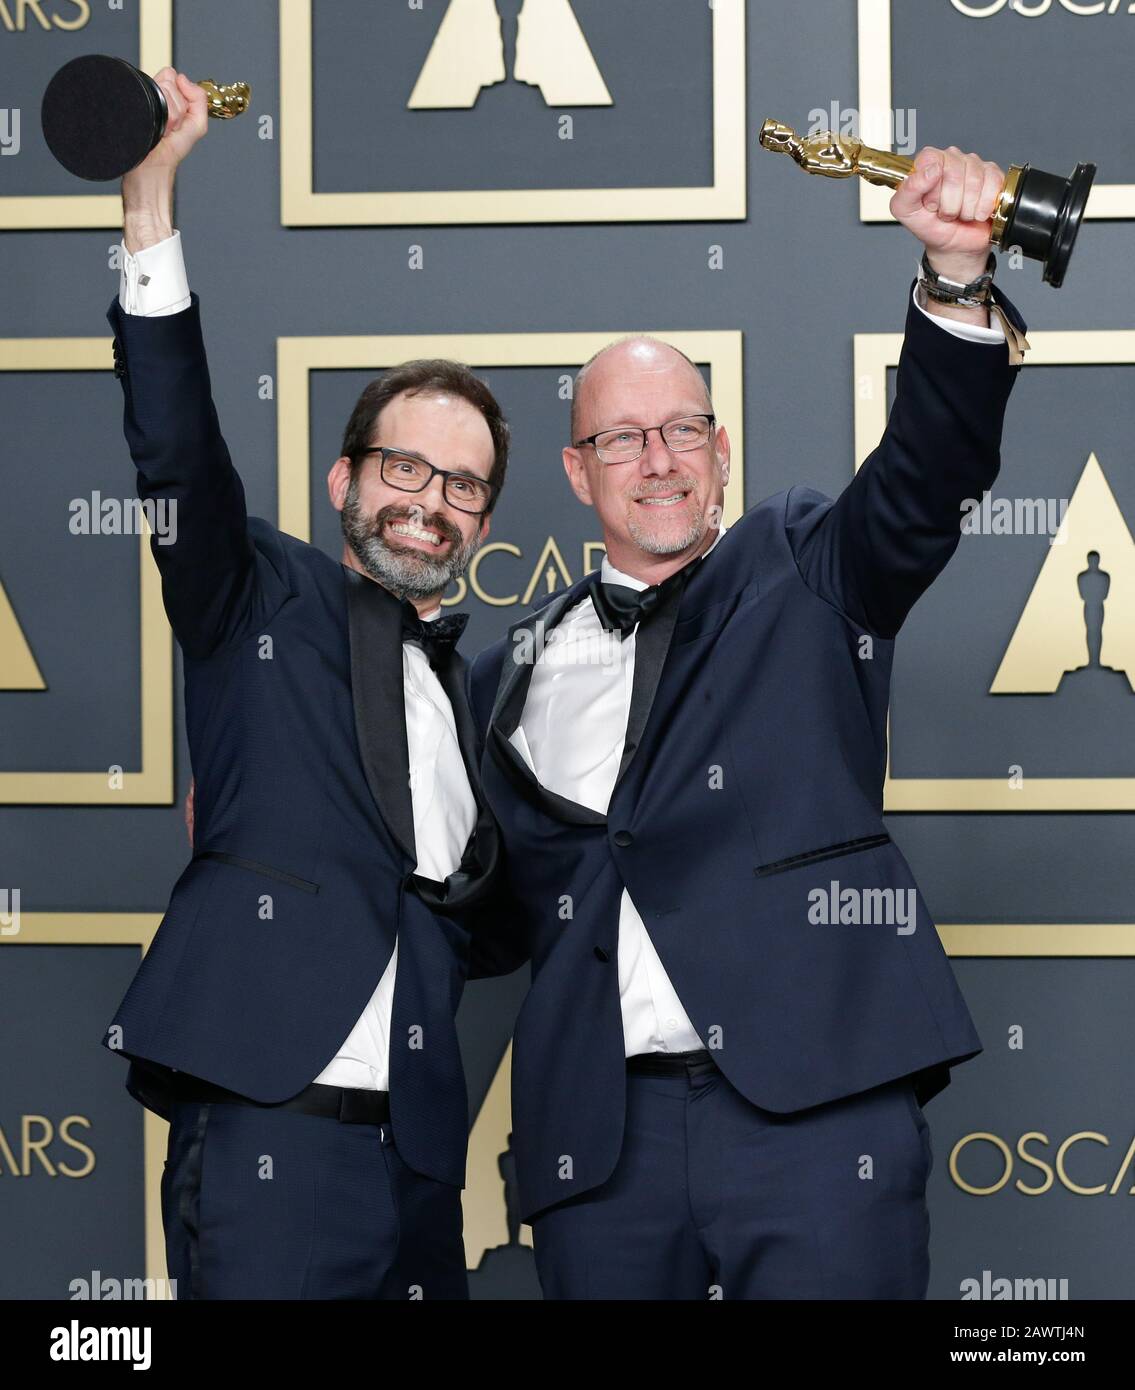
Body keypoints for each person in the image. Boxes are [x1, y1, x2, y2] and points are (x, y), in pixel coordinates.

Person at [468, 145, 1030, 1298]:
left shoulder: (807, 563)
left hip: (815, 1116)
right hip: (598, 1147)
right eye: (620, 439)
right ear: (579, 475)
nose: (656, 460)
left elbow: (925, 476)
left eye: (681, 429)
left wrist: (956, 276)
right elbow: (477, 913)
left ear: (721, 452)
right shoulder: (504, 673)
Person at [101, 70, 523, 1299]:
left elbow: (490, 908)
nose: (431, 501)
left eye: (463, 485)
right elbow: (175, 442)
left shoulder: (474, 693)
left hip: (422, 1164)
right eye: (406, 465)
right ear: (343, 484)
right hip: (270, 1131)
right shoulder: (251, 596)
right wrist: (150, 203)